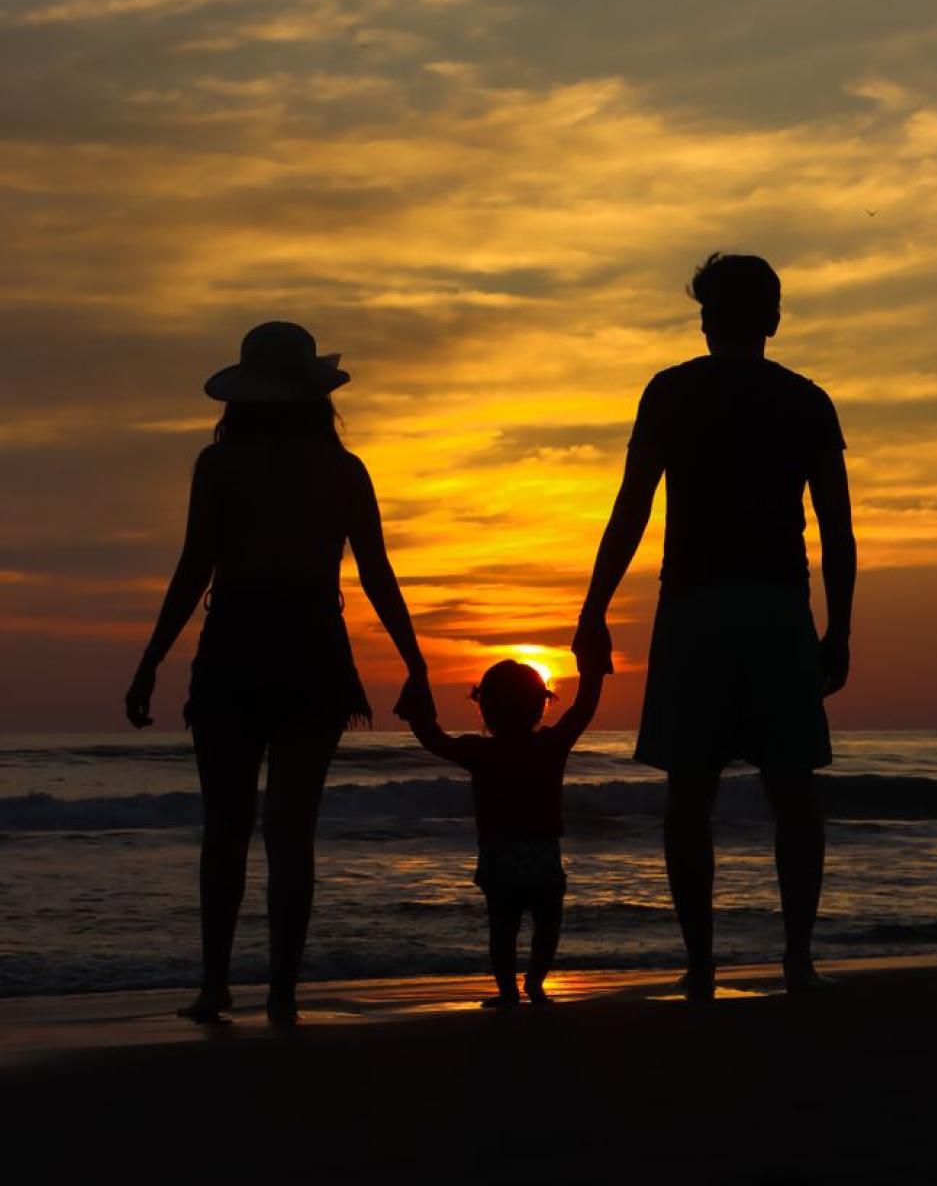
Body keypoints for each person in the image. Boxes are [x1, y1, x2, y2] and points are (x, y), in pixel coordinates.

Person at [125, 321, 431, 1025]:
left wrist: (150, 662)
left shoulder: (218, 464)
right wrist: (413, 663)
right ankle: (283, 991)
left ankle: (214, 985)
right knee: (292, 832)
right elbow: (377, 575)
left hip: (235, 641)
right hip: (314, 647)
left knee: (224, 828)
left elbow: (193, 566)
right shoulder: (343, 470)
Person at [572, 253, 856, 998]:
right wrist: (841, 627)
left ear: (705, 319)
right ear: (772, 318)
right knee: (792, 791)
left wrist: (593, 608)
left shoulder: (670, 392)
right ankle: (796, 958)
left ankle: (699, 963)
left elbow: (630, 507)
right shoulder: (805, 399)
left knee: (688, 793)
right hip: (776, 608)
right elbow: (837, 528)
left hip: (694, 607)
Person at [397, 658, 604, 1007]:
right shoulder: (549, 746)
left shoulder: (481, 751)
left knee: (503, 928)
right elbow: (583, 708)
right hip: (542, 854)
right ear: (541, 705)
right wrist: (593, 671)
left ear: (484, 707)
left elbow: (435, 740)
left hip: (499, 855)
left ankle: (508, 990)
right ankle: (535, 984)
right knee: (547, 923)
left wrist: (415, 707)